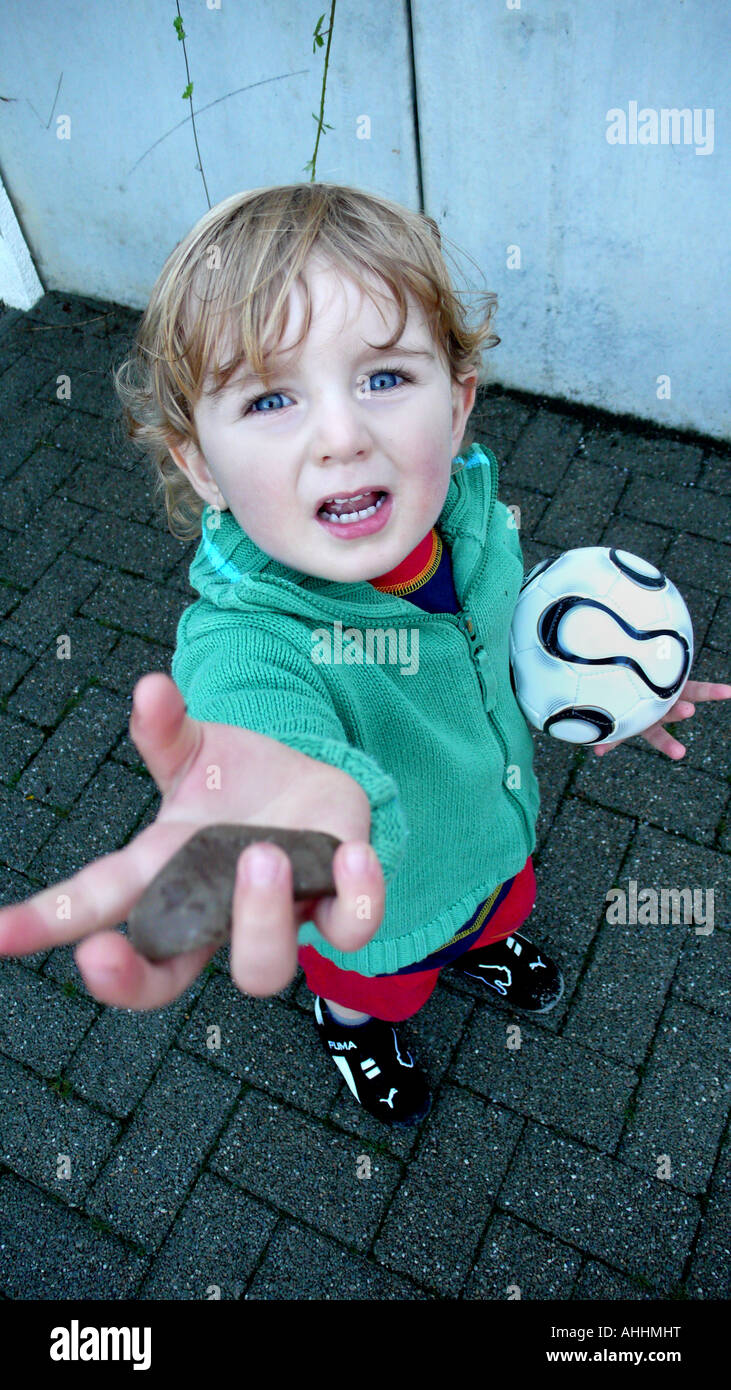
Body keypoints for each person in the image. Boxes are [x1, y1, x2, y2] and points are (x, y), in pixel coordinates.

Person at [1, 183, 728, 1128]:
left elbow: (493, 637)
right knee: (379, 984)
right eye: (270, 396)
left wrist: (605, 683)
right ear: (201, 467)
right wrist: (290, 796)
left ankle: (481, 943)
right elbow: (248, 717)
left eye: (384, 378)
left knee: (500, 908)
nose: (342, 436)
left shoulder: (472, 523)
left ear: (457, 405)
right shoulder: (249, 641)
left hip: (496, 840)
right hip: (376, 917)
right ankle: (350, 1027)